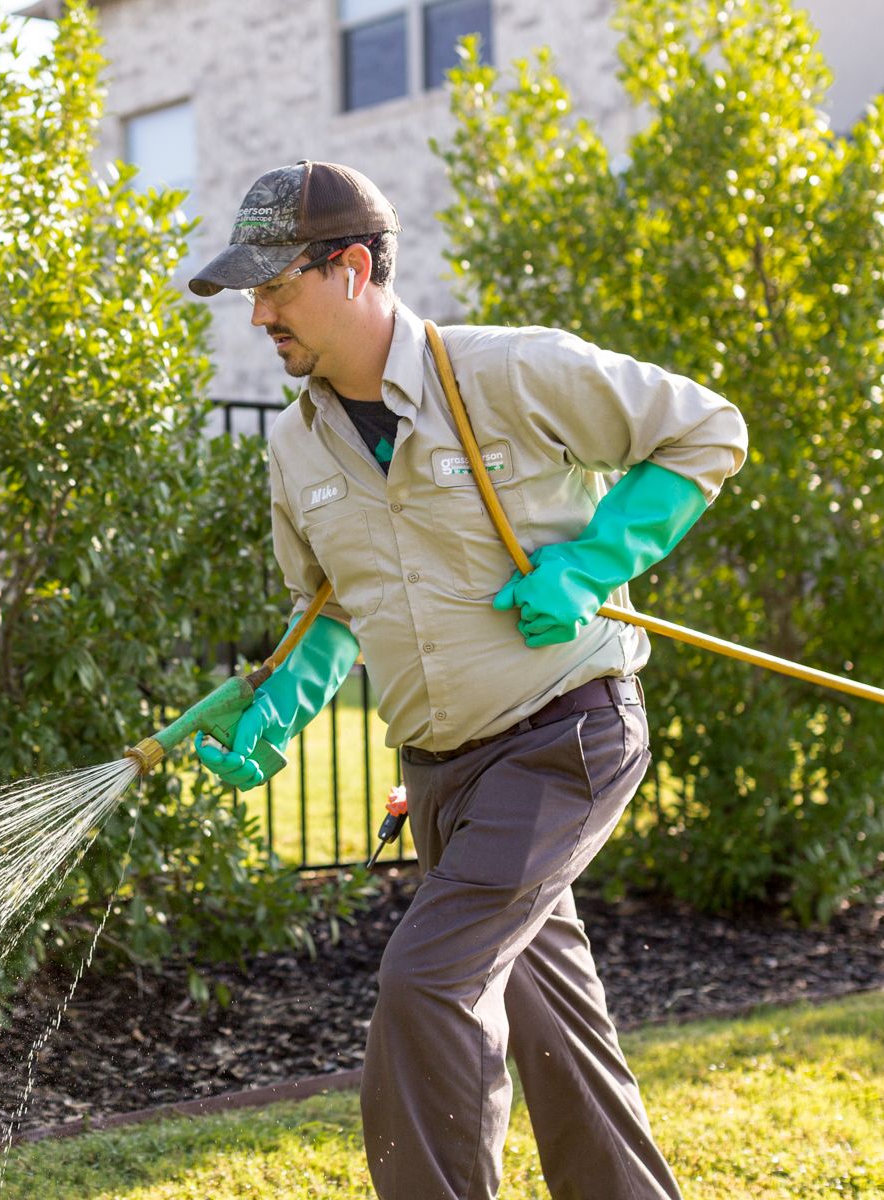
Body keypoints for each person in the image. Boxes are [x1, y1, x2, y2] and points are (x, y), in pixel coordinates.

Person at [187, 160, 747, 1200]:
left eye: (274, 285)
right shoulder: (296, 448)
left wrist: (590, 562)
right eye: (251, 292)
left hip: (563, 735)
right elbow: (332, 610)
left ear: (351, 266)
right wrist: (277, 711)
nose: (258, 312)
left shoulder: (506, 373)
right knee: (554, 1021)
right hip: (444, 774)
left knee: (427, 980)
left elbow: (706, 429)